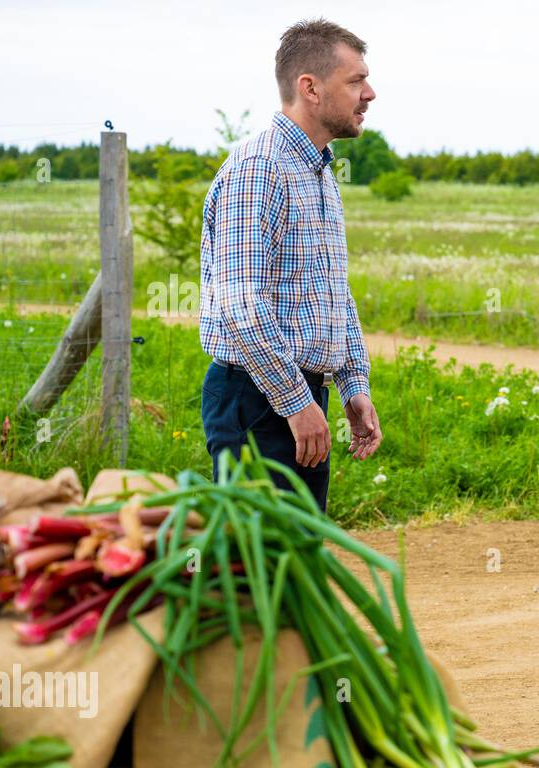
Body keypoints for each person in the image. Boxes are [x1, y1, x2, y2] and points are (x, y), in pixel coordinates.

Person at [199, 18, 383, 513]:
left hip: (296, 395)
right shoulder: (258, 169)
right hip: (257, 401)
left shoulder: (319, 172)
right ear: (311, 88)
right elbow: (242, 303)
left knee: (295, 568)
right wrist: (295, 400)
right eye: (355, 80)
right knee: (252, 572)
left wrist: (352, 384)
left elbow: (331, 291)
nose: (369, 93)